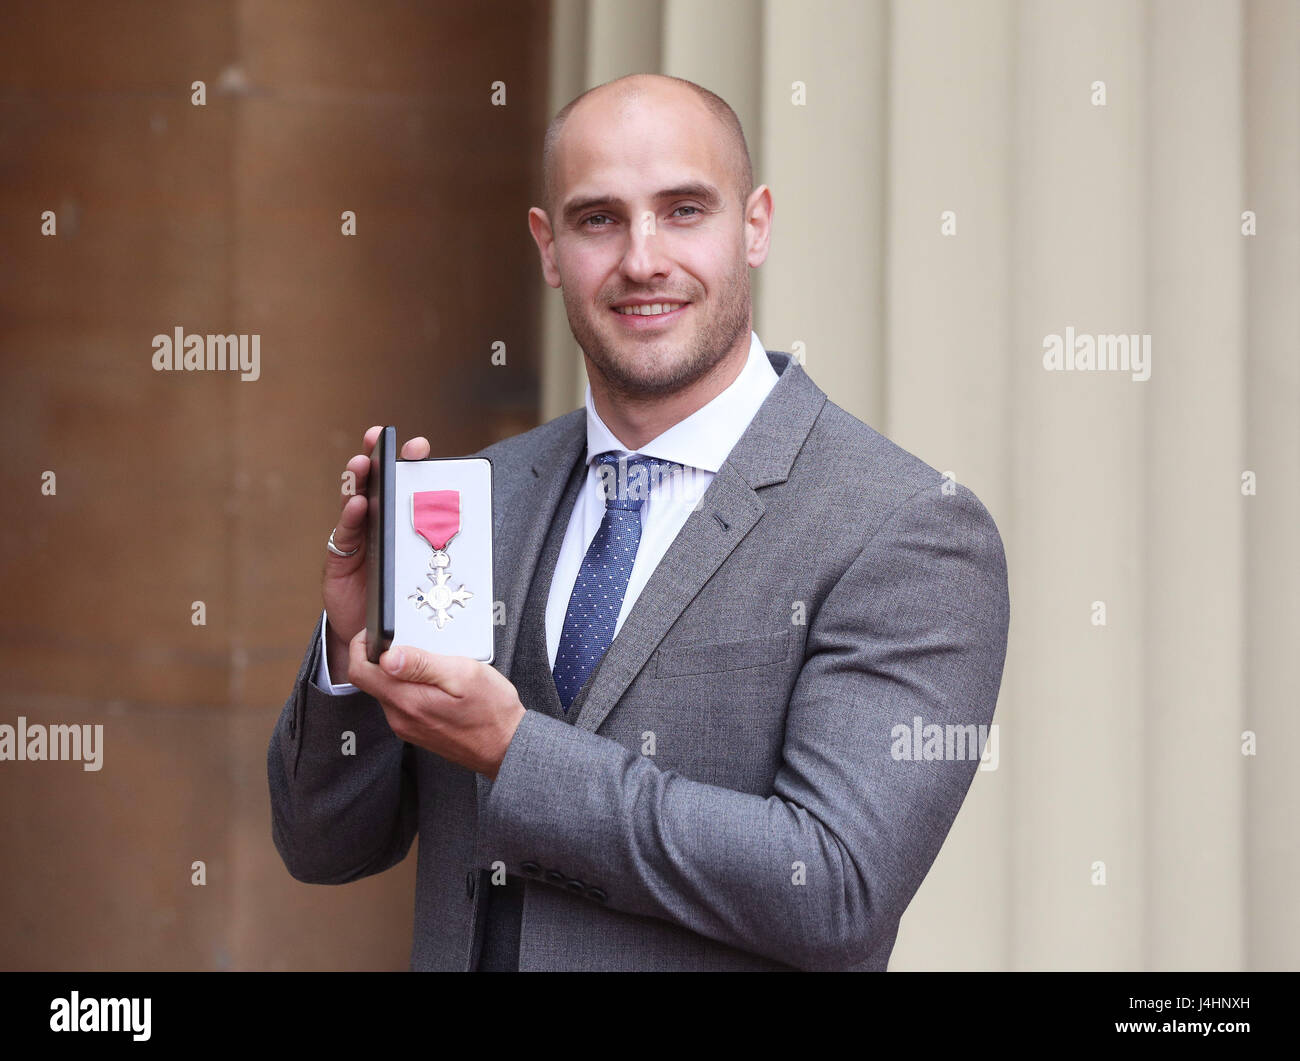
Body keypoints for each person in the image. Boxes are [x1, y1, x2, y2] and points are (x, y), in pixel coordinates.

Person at [267, 73, 1010, 971]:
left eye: (685, 209)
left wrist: (515, 752)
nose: (643, 260)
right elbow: (323, 845)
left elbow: (837, 887)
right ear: (548, 246)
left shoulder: (903, 529)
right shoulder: (486, 494)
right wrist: (350, 655)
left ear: (755, 224)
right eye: (598, 219)